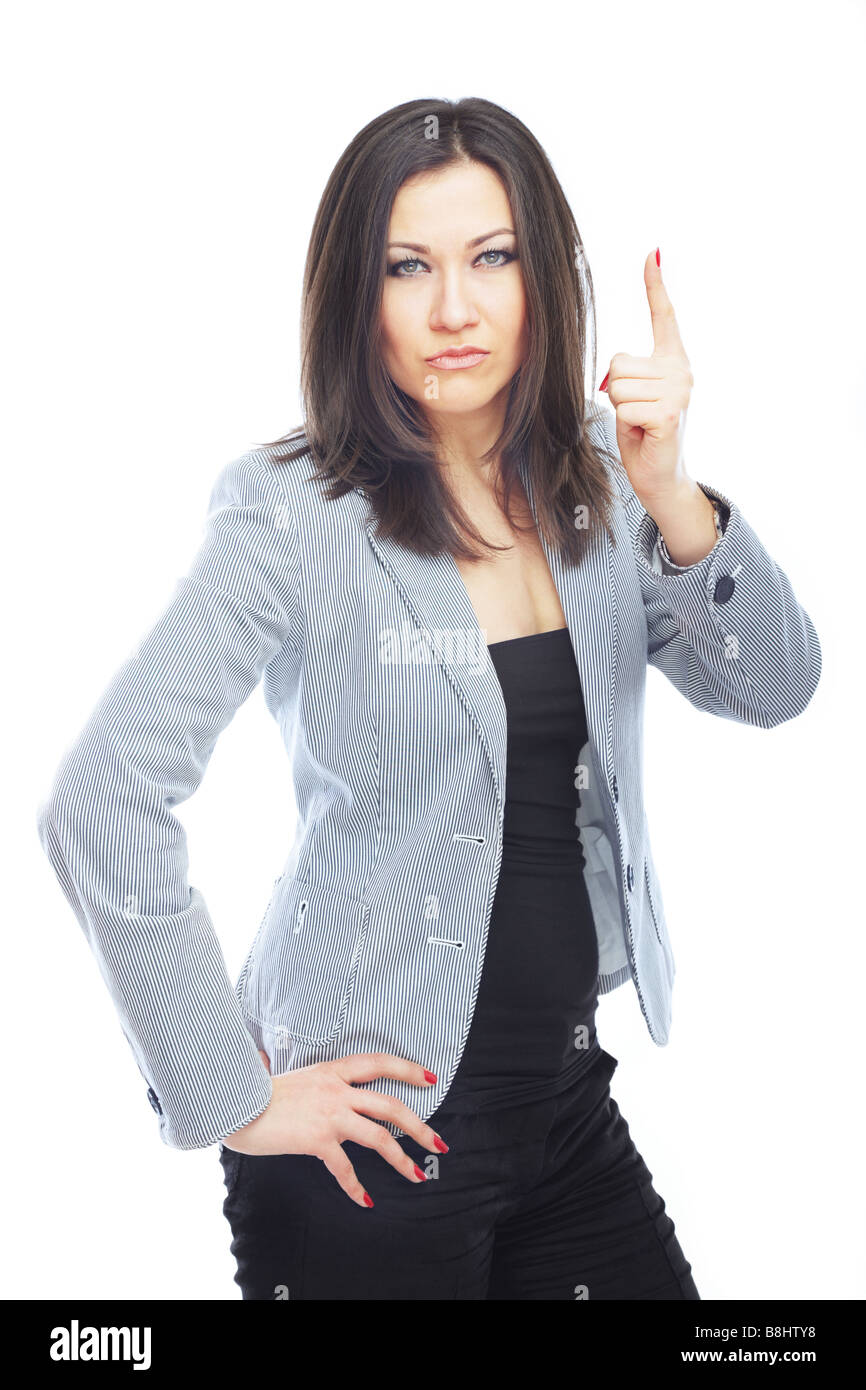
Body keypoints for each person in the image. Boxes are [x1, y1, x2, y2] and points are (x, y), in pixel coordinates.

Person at [36, 96, 821, 1300]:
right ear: (358, 296)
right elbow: (102, 798)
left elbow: (776, 688)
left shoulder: (603, 488)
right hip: (369, 1149)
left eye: (490, 258)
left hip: (564, 1113)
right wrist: (227, 1095)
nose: (453, 309)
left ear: (541, 279)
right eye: (408, 267)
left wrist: (674, 498)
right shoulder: (290, 513)